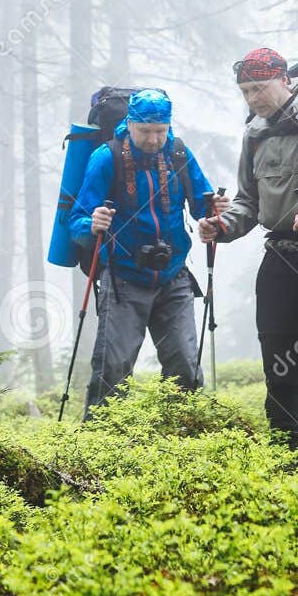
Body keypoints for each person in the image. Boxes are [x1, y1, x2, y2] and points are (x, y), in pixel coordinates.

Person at [200, 47, 298, 473]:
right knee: (278, 359)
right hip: (280, 251)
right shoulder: (254, 131)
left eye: (260, 87)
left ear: (284, 80)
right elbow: (248, 202)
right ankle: (285, 460)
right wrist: (222, 225)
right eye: (246, 90)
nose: (252, 98)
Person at [69, 88, 219, 416]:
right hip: (123, 277)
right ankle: (98, 445)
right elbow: (76, 220)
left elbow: (201, 205)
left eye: (160, 131)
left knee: (184, 365)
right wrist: (91, 223)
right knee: (112, 369)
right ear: (130, 124)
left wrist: (212, 215)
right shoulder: (105, 158)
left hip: (173, 274)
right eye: (145, 131)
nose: (153, 139)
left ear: (168, 127)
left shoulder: (178, 153)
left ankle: (185, 438)